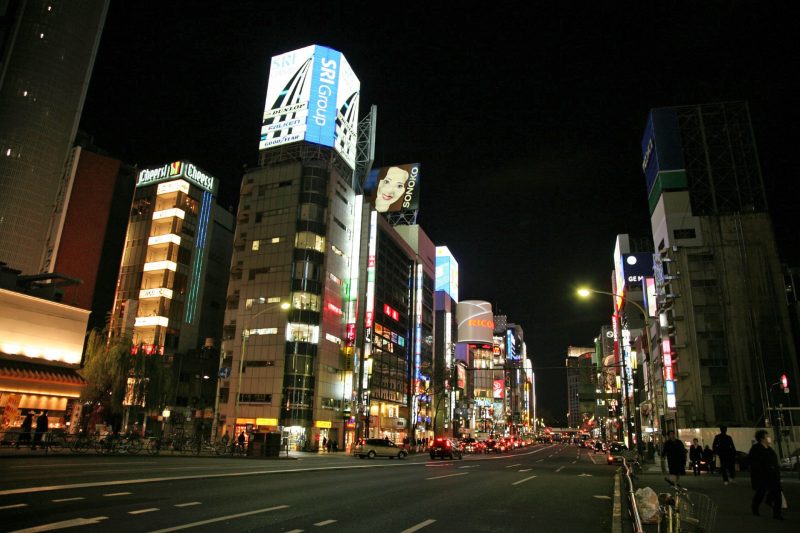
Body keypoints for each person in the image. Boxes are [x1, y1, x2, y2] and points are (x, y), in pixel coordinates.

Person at [748, 429, 783, 520]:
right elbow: (755, 463)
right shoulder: (756, 449)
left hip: (772, 476)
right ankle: (755, 507)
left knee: (777, 494)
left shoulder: (770, 449)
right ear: (762, 438)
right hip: (762, 476)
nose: (769, 438)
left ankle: (777, 514)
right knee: (760, 493)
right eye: (767, 436)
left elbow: (774, 461)